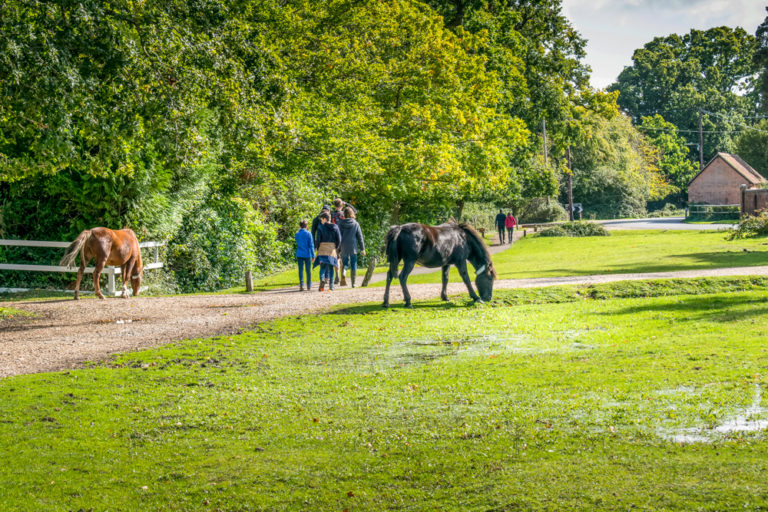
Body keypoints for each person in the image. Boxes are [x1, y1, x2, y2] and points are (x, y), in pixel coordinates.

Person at [337, 207, 366, 287]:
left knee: (345, 264)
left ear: (344, 214)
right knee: (353, 264)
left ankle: (344, 272)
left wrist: (338, 249)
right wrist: (362, 249)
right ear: (352, 214)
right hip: (353, 247)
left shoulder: (340, 224)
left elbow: (339, 237)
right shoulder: (356, 224)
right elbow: (360, 237)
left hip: (343, 246)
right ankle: (353, 283)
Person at [313, 211, 342, 291]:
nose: (321, 221)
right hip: (331, 248)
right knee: (331, 267)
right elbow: (339, 239)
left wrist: (317, 247)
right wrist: (336, 246)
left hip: (322, 248)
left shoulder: (320, 227)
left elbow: (318, 239)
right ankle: (331, 286)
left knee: (322, 267)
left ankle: (322, 280)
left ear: (325, 219)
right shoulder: (335, 227)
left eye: (321, 219)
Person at [295, 220, 314, 291]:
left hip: (299, 253)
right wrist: (313, 255)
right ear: (307, 226)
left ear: (299, 226)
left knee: (300, 269)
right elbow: (311, 245)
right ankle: (308, 284)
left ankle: (302, 284)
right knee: (308, 270)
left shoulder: (297, 234)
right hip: (307, 254)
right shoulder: (309, 234)